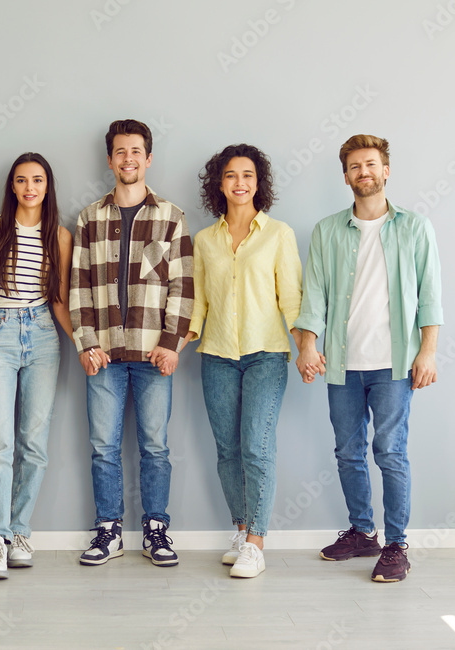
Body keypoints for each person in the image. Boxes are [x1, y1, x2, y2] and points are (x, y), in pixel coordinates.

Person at [295, 134, 442, 583]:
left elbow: (430, 297)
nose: (365, 172)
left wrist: (429, 352)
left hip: (395, 365)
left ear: (386, 170)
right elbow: (314, 296)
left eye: (372, 164)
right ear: (346, 176)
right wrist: (306, 345)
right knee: (347, 452)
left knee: (390, 453)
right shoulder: (327, 230)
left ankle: (396, 545)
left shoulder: (415, 227)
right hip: (341, 363)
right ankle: (362, 533)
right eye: (356, 166)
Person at [71, 119, 194, 567]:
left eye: (136, 151)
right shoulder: (89, 218)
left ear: (148, 158)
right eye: (120, 152)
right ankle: (108, 531)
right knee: (103, 446)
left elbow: (183, 287)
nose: (128, 159)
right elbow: (79, 288)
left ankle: (156, 529)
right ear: (110, 159)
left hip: (152, 354)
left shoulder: (171, 217)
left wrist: (171, 345)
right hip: (102, 354)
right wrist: (86, 344)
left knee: (155, 446)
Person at [0, 153, 74, 580]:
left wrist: (83, 344)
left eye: (37, 180)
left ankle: (21, 532)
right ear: (12, 186)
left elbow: (58, 301)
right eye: (21, 180)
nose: (29, 188)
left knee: (34, 443)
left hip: (42, 334)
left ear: (47, 186)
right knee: (0, 443)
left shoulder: (59, 236)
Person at [182, 144, 303, 579]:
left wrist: (304, 345)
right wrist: (178, 343)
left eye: (247, 175)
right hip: (215, 355)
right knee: (228, 450)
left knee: (256, 445)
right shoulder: (204, 240)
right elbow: (198, 304)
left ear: (259, 182)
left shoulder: (278, 234)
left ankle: (256, 542)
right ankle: (240, 528)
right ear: (219, 183)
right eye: (231, 175)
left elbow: (291, 298)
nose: (239, 182)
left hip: (266, 354)